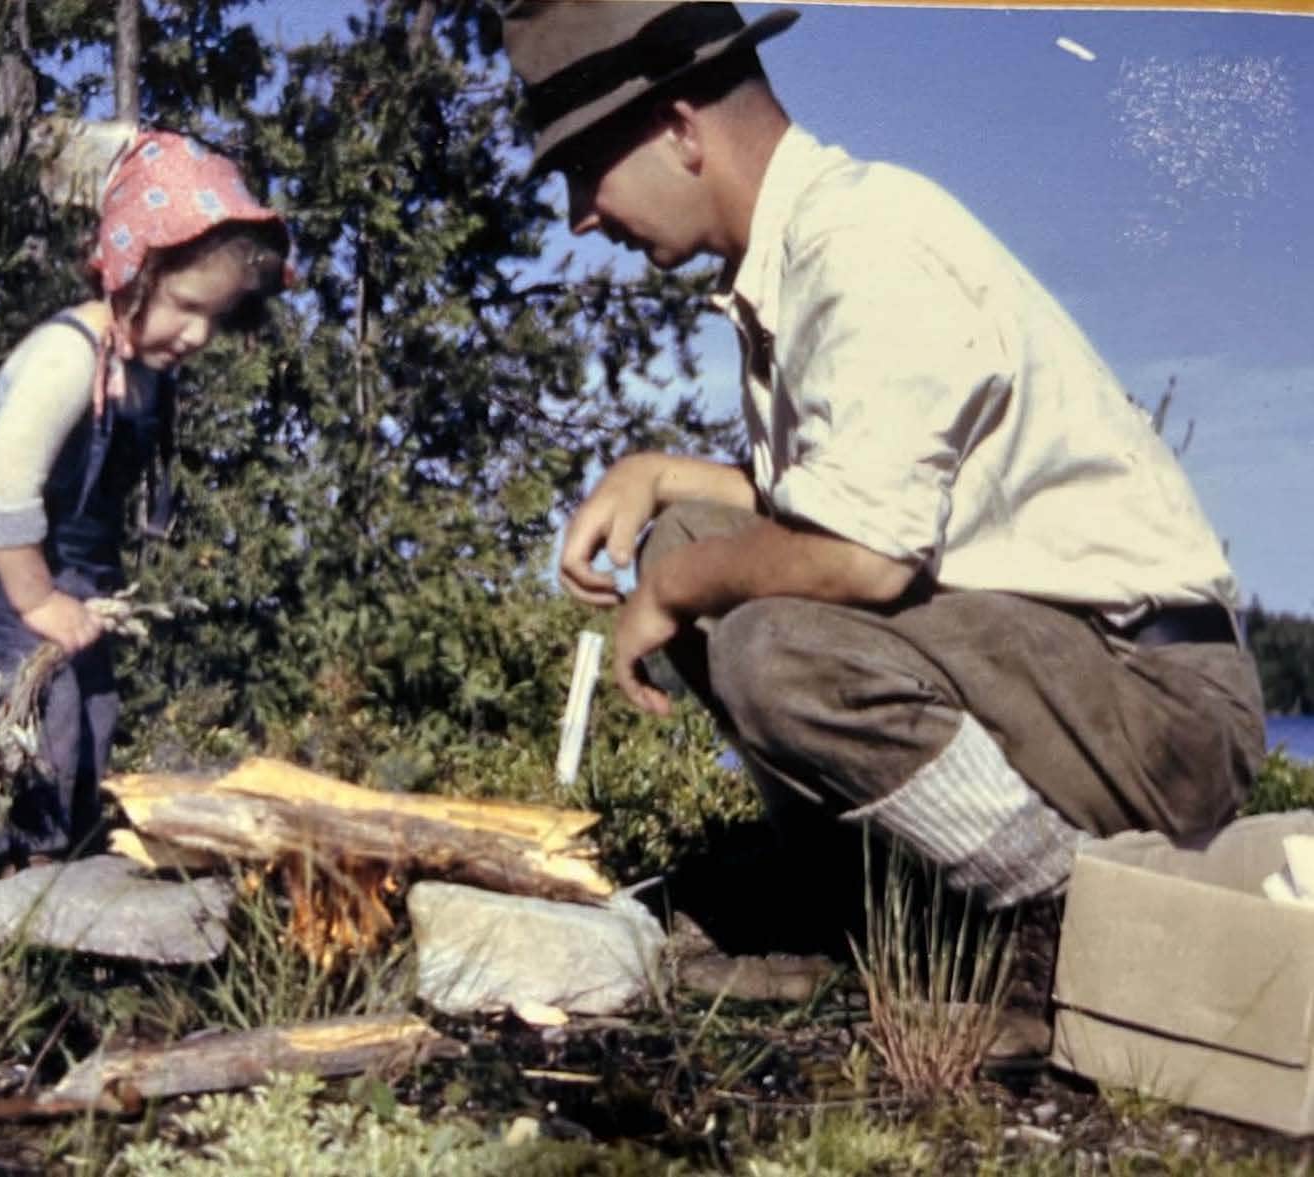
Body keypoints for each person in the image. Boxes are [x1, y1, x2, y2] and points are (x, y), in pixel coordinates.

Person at [498, 2, 1266, 908]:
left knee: (771, 643)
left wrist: (668, 592)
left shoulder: (861, 245)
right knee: (683, 538)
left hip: (1160, 708)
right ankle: (844, 907)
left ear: (679, 129)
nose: (581, 215)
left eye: (588, 169)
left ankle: (1050, 919)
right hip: (1061, 673)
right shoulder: (798, 250)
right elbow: (824, 505)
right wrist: (657, 475)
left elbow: (858, 560)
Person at [0, 131, 289, 862]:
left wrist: (82, 587)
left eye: (217, 316)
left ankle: (64, 853)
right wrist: (40, 601)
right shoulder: (67, 359)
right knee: (0, 708)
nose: (198, 333)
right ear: (131, 270)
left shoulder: (144, 373)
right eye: (184, 306)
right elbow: (9, 490)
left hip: (57, 557)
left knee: (86, 698)